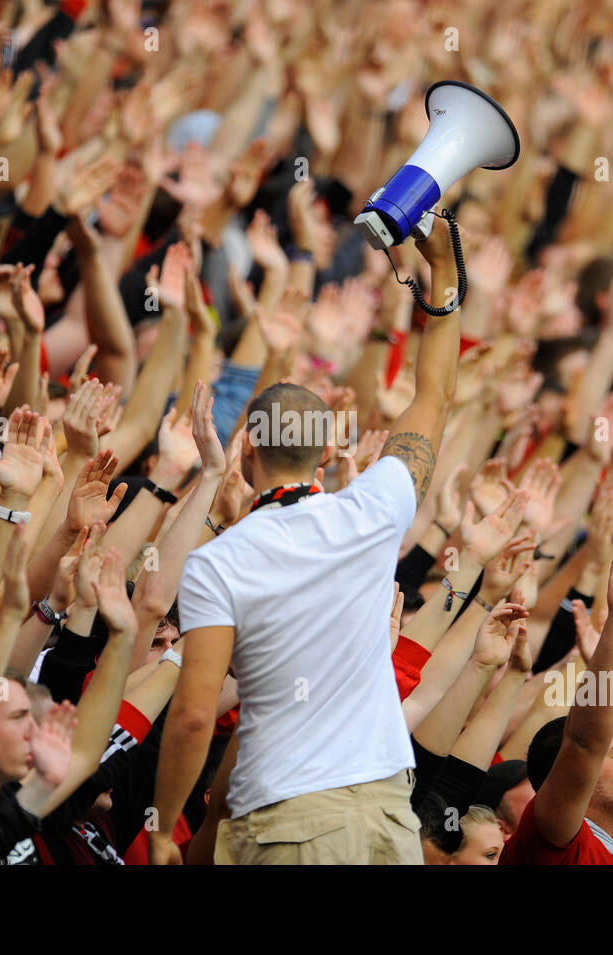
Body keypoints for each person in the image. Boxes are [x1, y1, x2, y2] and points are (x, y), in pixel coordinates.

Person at [149, 223, 463, 865]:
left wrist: (161, 830)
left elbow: (191, 718)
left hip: (288, 822)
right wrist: (447, 280)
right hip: (387, 819)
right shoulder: (374, 510)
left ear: (245, 454)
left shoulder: (217, 563)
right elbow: (433, 395)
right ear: (327, 454)